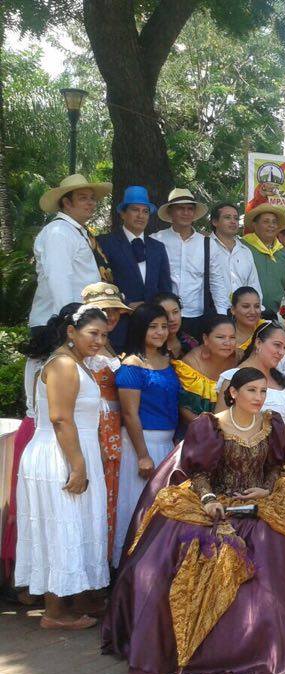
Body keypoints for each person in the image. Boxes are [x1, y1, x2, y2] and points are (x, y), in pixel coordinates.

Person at [102, 368, 285, 674]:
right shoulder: (209, 425)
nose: (259, 398)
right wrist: (210, 498)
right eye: (251, 391)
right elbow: (198, 473)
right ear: (233, 392)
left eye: (263, 392)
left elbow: (276, 468)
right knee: (185, 552)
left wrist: (267, 488)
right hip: (217, 499)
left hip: (260, 498)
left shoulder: (270, 424)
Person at [15, 305, 111, 629]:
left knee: (74, 523)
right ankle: (55, 612)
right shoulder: (63, 365)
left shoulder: (76, 363)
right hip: (60, 453)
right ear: (72, 332)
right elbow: (60, 418)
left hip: (72, 450)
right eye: (93, 333)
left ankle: (74, 597)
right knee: (59, 526)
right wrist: (78, 465)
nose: (99, 340)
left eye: (104, 335)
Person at [113, 304, 180, 567]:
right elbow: (130, 414)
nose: (160, 332)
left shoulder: (168, 360)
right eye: (153, 326)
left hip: (167, 442)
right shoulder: (132, 365)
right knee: (136, 506)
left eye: (164, 326)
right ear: (140, 328)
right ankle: (128, 568)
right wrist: (142, 455)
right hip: (141, 444)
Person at [80, 283, 131, 558]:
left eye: (116, 310)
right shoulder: (87, 349)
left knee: (109, 493)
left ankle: (102, 564)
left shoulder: (106, 344)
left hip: (113, 426)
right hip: (97, 425)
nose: (112, 315)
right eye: (105, 309)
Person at [29, 174, 113, 332]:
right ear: (67, 203)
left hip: (78, 322)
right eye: (83, 198)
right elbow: (59, 278)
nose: (91, 203)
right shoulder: (59, 231)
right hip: (58, 323)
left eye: (92, 198)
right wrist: (69, 321)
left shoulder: (76, 231)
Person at [98, 186, 173, 346]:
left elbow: (165, 288)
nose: (140, 215)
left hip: (150, 327)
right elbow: (99, 283)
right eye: (135, 210)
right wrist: (124, 304)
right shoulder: (105, 243)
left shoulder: (157, 247)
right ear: (123, 213)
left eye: (145, 211)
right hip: (118, 324)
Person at [152, 188, 229, 338]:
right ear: (170, 212)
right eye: (181, 208)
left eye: (190, 209)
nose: (186, 213)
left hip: (196, 316)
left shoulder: (207, 243)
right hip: (163, 316)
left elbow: (216, 281)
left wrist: (222, 317)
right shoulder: (156, 240)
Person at [217, 322, 285, 440]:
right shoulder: (232, 377)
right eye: (277, 345)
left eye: (284, 347)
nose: (281, 352)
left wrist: (283, 445)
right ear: (258, 343)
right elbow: (221, 424)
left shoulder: (282, 378)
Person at [173, 315, 237, 432]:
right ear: (206, 339)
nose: (228, 343)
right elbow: (183, 407)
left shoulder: (238, 358)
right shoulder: (190, 364)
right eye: (221, 337)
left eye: (232, 337)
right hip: (195, 432)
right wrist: (210, 429)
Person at [242, 203, 285, 313]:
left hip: (269, 317)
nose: (271, 225)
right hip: (242, 316)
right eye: (266, 221)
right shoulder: (241, 247)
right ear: (254, 224)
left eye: (274, 222)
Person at [210, 202, 262, 300]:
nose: (233, 222)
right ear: (214, 222)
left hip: (241, 312)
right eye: (227, 217)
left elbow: (253, 284)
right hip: (212, 311)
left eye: (236, 218)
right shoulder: (204, 246)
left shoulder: (245, 251)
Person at [155, 292, 199, 360]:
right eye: (165, 314)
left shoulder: (190, 342)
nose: (172, 319)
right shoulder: (151, 347)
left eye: (175, 312)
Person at [230, 286, 267, 356]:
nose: (253, 312)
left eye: (257, 306)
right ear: (233, 310)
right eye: (246, 306)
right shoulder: (224, 336)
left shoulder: (267, 329)